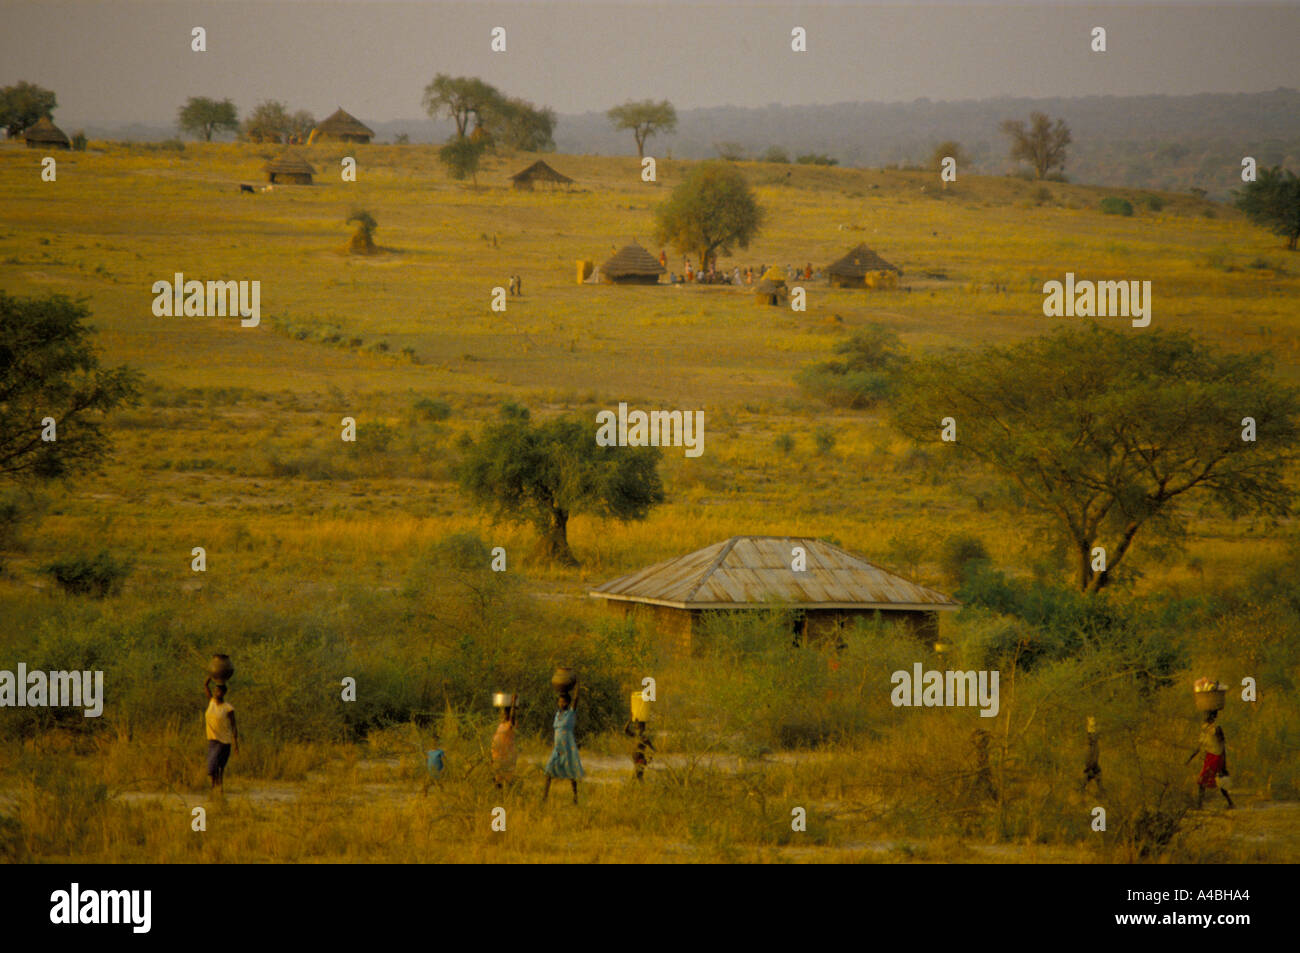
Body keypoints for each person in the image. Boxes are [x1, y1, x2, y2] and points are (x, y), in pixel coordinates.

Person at [542, 686, 583, 803]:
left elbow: (576, 699)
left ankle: (575, 797)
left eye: (564, 701)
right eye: (560, 701)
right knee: (548, 771)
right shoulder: (557, 714)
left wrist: (576, 687)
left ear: (568, 703)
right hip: (558, 748)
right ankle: (544, 797)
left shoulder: (570, 713)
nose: (561, 703)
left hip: (568, 748)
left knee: (571, 774)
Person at [1187, 709, 1234, 809]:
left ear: (1213, 717)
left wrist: (1224, 762)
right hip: (1211, 756)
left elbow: (1222, 744)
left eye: (1208, 715)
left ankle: (1199, 805)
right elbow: (1201, 745)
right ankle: (1230, 803)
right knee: (1218, 780)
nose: (1206, 717)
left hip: (1216, 756)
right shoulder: (1205, 728)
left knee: (1203, 781)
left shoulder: (1216, 729)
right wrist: (1191, 757)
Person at [204, 678, 238, 797]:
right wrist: (211, 677)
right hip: (212, 740)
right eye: (215, 691)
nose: (216, 693)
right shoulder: (211, 702)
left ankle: (218, 789)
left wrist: (236, 744)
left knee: (217, 766)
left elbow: (234, 725)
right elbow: (205, 687)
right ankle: (216, 788)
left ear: (224, 693)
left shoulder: (228, 708)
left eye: (218, 691)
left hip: (224, 741)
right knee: (213, 766)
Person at [491, 697, 518, 789]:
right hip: (497, 755)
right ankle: (501, 796)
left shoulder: (510, 724)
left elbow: (512, 715)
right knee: (497, 777)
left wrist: (513, 704)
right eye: (502, 713)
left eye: (504, 713)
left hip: (507, 755)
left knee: (507, 777)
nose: (502, 715)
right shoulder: (501, 725)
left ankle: (513, 792)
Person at [1081, 716, 1103, 794]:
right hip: (1092, 766)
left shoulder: (1094, 746)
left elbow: (1093, 758)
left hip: (1092, 766)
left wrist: (1089, 767)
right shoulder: (1092, 746)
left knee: (1096, 781)